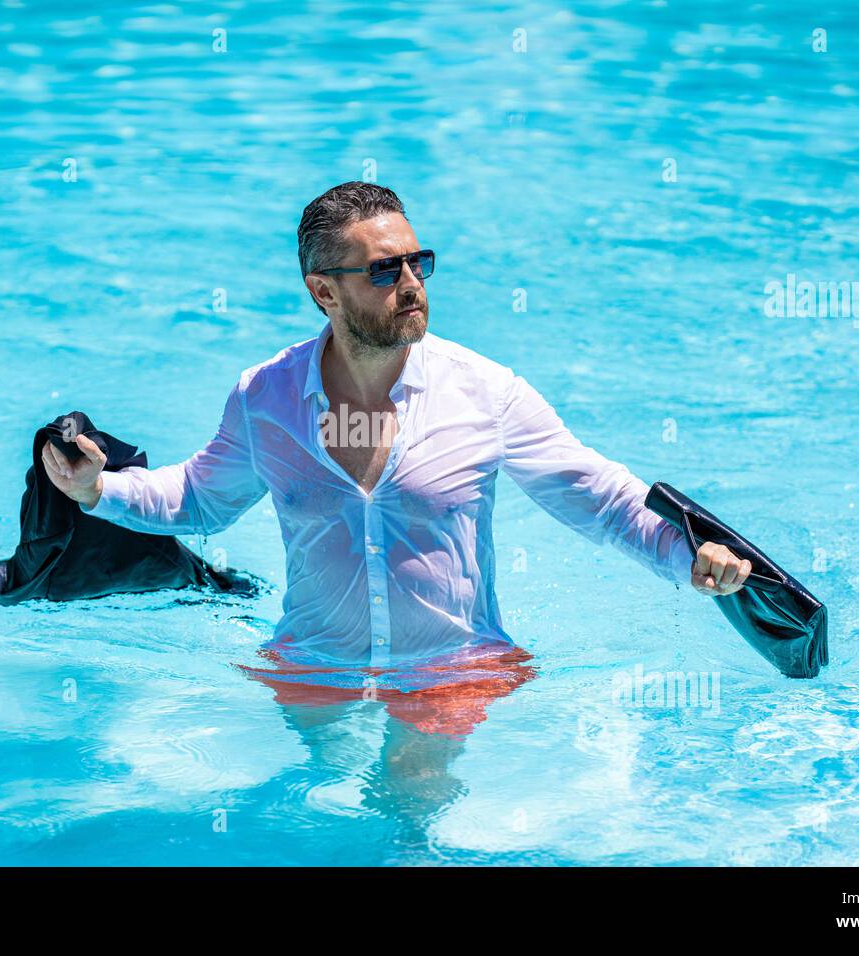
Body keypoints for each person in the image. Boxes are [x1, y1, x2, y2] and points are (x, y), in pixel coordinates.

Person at [40, 181, 752, 673]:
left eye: (419, 262)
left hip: (452, 674)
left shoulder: (486, 392)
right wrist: (97, 489)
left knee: (409, 825)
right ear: (324, 292)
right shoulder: (265, 397)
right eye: (384, 270)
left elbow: (601, 499)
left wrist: (686, 556)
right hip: (313, 667)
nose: (411, 282)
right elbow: (199, 502)